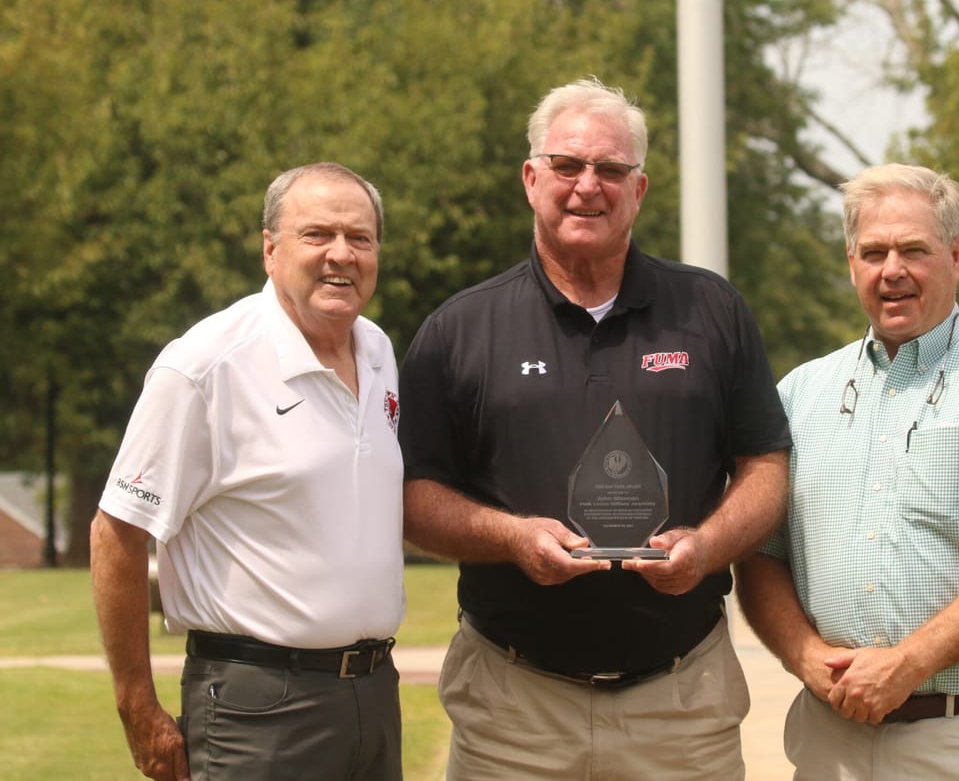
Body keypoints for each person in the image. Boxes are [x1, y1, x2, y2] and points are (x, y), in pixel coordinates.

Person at [397, 76, 791, 780]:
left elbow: (766, 466)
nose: (588, 186)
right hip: (513, 712)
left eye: (611, 169)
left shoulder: (711, 310)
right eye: (567, 165)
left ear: (639, 189)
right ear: (531, 178)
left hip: (681, 707)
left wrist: (706, 547)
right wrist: (511, 537)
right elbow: (414, 497)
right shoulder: (459, 330)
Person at [736, 163, 959, 780]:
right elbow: (761, 552)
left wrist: (907, 664)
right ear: (851, 263)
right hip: (830, 738)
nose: (892, 270)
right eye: (873, 252)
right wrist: (805, 656)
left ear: (956, 255)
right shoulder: (800, 394)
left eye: (913, 250)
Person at [90, 162, 407, 781]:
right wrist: (137, 706)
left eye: (360, 238)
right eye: (316, 234)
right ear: (270, 249)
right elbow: (116, 533)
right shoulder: (204, 367)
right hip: (258, 707)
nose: (341, 254)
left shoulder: (378, 350)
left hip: (374, 694)